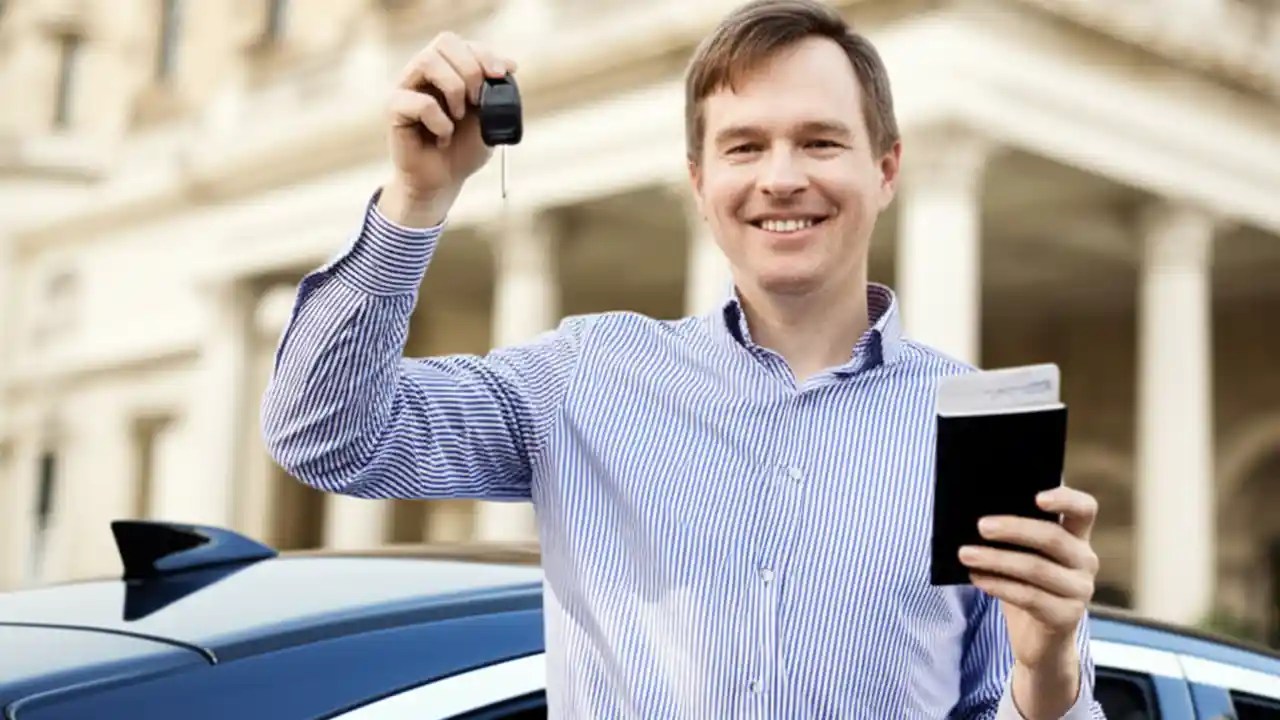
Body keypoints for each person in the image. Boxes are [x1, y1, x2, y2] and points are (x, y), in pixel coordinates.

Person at [262, 0, 1106, 717]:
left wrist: (1046, 671)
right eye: (744, 147)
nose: (781, 177)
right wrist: (416, 199)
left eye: (820, 142)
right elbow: (324, 434)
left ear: (885, 170)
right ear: (698, 184)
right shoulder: (586, 378)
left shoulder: (971, 425)